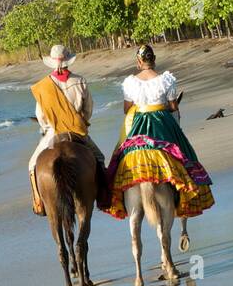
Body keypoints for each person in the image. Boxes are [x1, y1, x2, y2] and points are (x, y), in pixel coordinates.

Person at [101, 44, 214, 247]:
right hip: (164, 123)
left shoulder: (130, 82)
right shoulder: (166, 79)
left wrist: (140, 105)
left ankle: (116, 196)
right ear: (154, 60)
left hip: (139, 123)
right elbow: (173, 107)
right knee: (184, 155)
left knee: (121, 155)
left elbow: (127, 109)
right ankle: (185, 196)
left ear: (138, 62)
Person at [29, 44, 109, 214]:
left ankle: (39, 203)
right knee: (100, 159)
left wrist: (46, 127)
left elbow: (41, 116)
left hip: (53, 132)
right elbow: (88, 109)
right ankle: (104, 197)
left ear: (52, 62)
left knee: (32, 165)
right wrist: (79, 122)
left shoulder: (44, 86)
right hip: (76, 131)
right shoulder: (79, 81)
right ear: (68, 62)